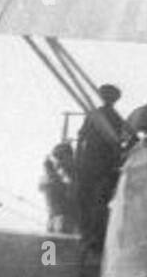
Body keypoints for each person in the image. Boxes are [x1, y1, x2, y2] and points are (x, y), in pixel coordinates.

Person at [74, 84, 127, 251]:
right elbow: (120, 143)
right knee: (100, 201)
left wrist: (77, 160)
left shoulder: (94, 115)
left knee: (86, 200)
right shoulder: (116, 118)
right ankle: (94, 236)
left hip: (91, 163)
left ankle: (87, 235)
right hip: (104, 165)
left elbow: (81, 138)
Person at [39, 141, 77, 234]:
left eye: (61, 157)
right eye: (57, 158)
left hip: (69, 222)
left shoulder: (75, 175)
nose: (59, 162)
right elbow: (44, 187)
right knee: (49, 247)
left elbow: (69, 196)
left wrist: (52, 173)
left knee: (64, 246)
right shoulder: (56, 175)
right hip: (53, 220)